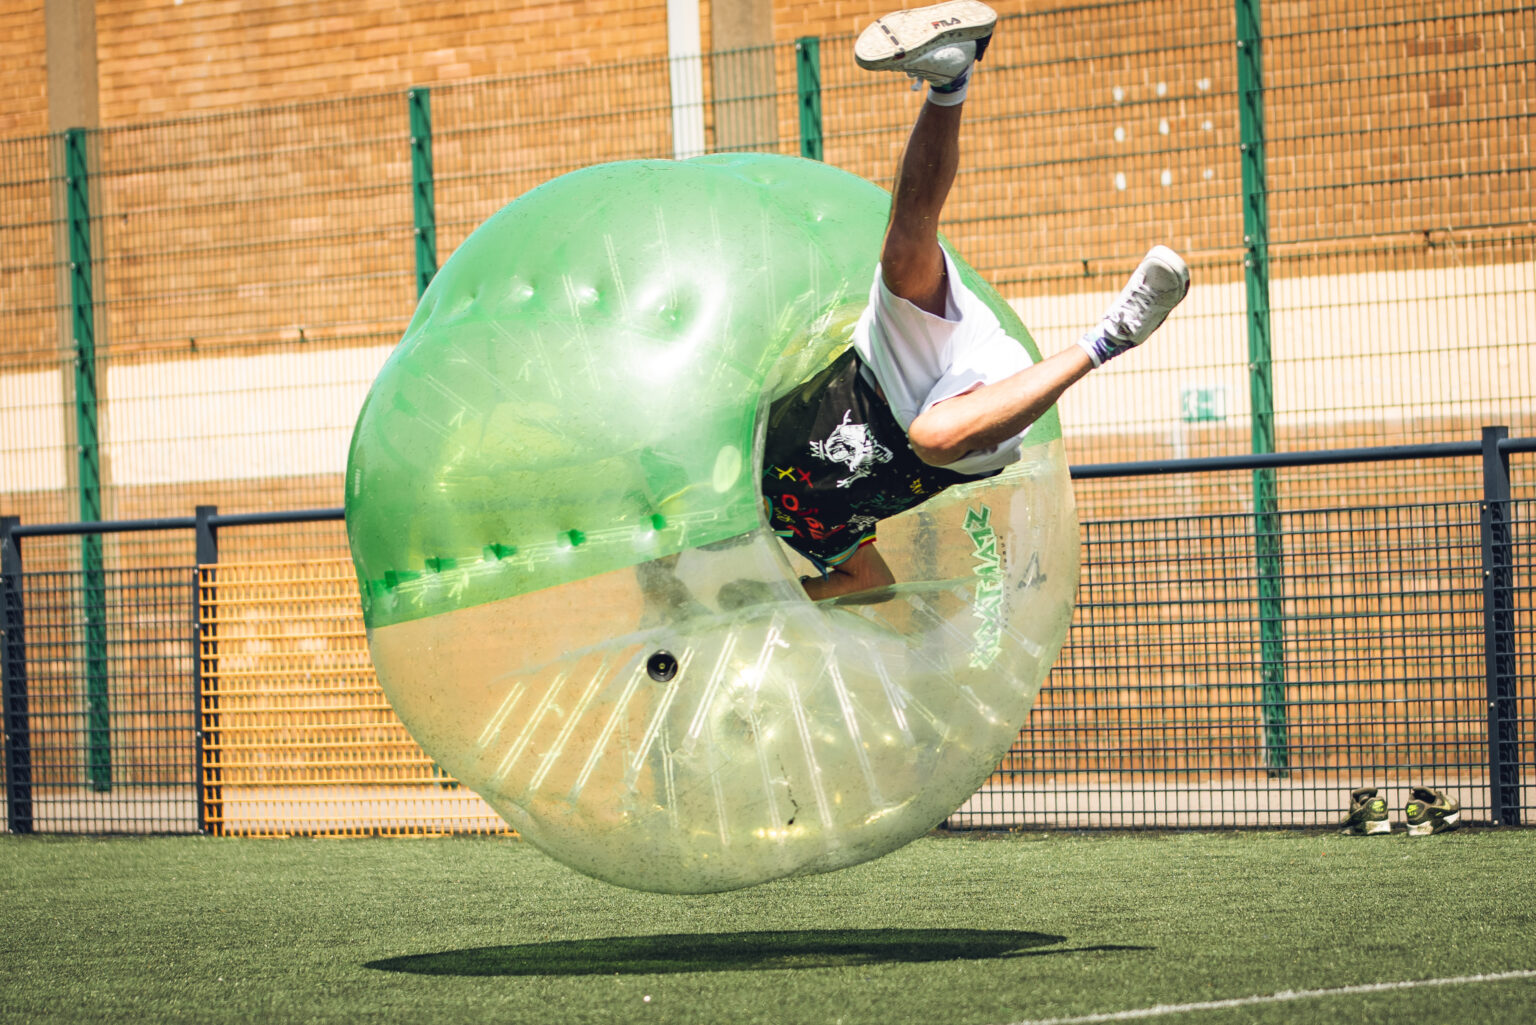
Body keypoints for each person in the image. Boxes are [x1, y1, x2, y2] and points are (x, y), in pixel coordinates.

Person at [760, 0, 1190, 601]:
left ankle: (950, 80)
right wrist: (774, 598)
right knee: (932, 435)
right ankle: (1110, 338)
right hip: (949, 442)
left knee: (903, 254)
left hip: (880, 368)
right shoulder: (799, 528)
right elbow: (873, 583)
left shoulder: (733, 435)